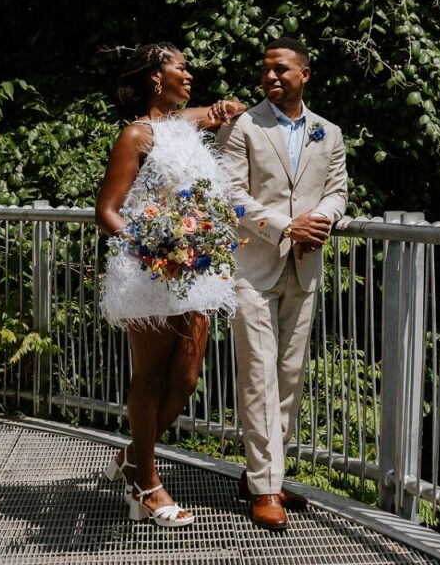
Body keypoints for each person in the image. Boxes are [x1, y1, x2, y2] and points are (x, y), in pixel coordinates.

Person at [94, 42, 246, 527]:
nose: (189, 72)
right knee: (151, 377)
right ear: (156, 78)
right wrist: (151, 248)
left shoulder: (181, 126)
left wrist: (231, 108)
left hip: (194, 270)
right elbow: (107, 212)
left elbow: (215, 113)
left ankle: (132, 459)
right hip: (148, 270)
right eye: (180, 66)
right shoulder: (135, 136)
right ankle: (146, 483)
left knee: (186, 378)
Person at [218, 37, 348, 531]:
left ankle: (266, 473)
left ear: (305, 74)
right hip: (254, 267)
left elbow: (337, 191)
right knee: (258, 374)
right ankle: (266, 485)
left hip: (306, 265)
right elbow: (229, 195)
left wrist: (321, 221)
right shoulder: (243, 126)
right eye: (265, 71)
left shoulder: (328, 132)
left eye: (281, 70)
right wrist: (283, 225)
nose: (271, 77)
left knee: (290, 375)